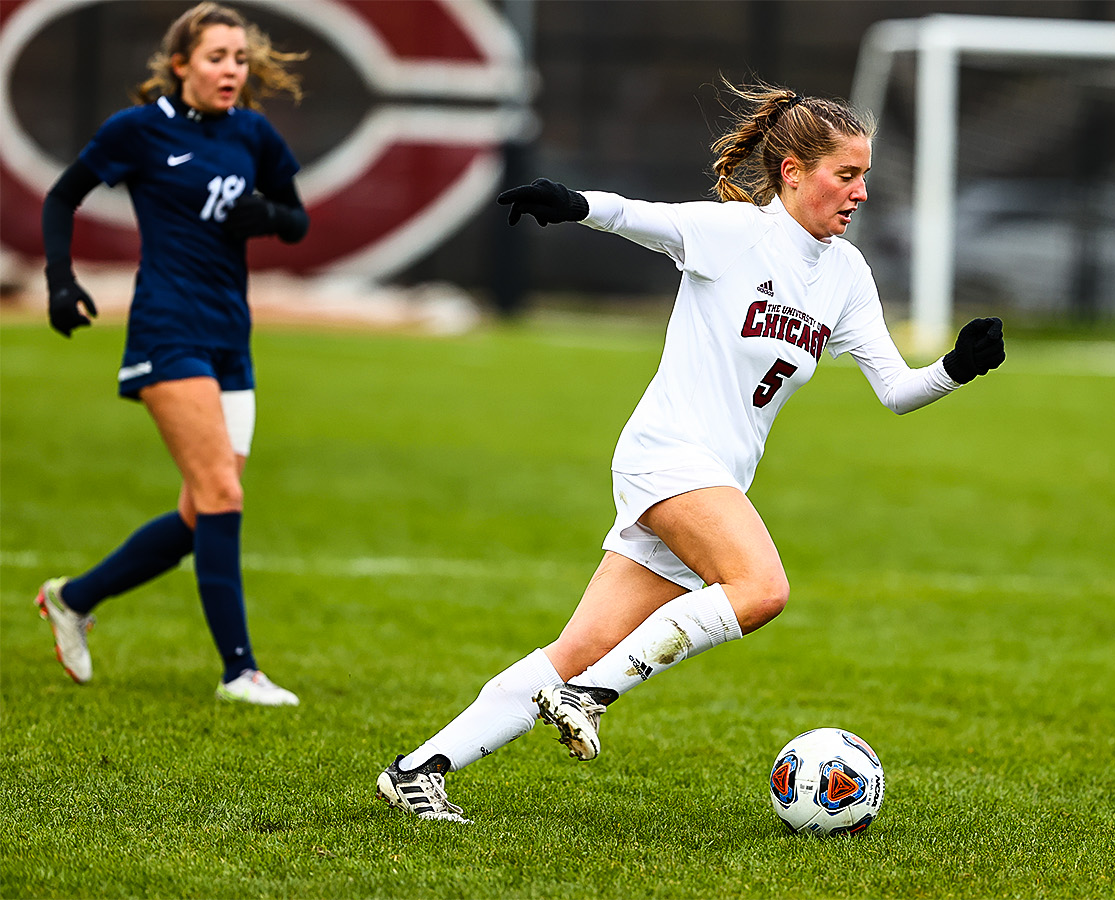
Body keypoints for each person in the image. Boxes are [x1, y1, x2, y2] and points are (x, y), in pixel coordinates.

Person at [375, 83, 1006, 823]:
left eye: (865, 175)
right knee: (762, 588)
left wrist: (955, 369)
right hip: (669, 456)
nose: (862, 192)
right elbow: (644, 220)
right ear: (794, 171)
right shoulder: (736, 235)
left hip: (714, 482)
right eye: (847, 175)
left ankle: (417, 770)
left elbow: (896, 390)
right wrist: (571, 202)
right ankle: (592, 695)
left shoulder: (845, 275)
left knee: (573, 648)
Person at [34, 2, 309, 705]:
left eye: (241, 59)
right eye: (217, 57)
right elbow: (63, 197)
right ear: (181, 62)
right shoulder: (138, 131)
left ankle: (73, 598)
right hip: (166, 331)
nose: (232, 70)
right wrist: (61, 282)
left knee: (200, 515)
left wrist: (271, 217)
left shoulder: (253, 132)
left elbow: (297, 218)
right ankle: (239, 672)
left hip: (230, 341)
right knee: (223, 494)